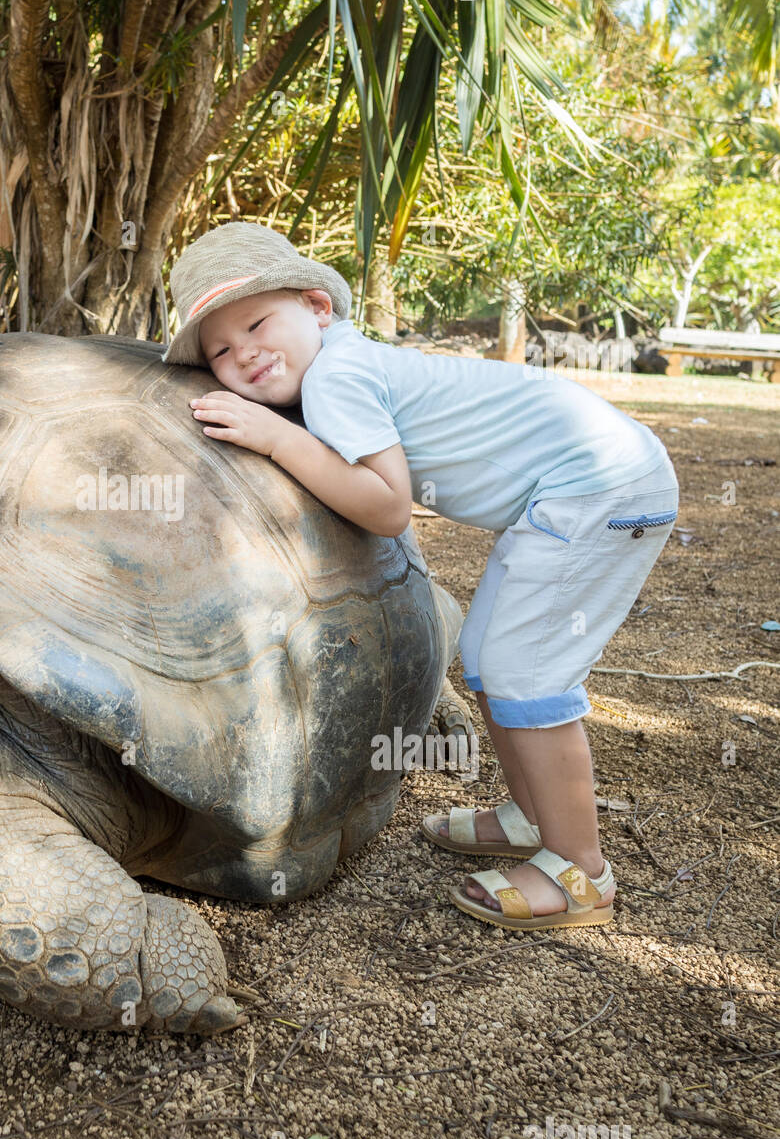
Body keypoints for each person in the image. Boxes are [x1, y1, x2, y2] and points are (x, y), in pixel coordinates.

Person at [161, 221, 679, 930]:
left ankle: (581, 870)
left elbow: (386, 507)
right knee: (486, 658)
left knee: (528, 674)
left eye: (256, 322)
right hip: (582, 484)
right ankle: (533, 816)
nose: (244, 352)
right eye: (220, 349)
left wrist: (277, 437)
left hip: (600, 488)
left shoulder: (338, 377)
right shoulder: (340, 360)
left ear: (318, 307)